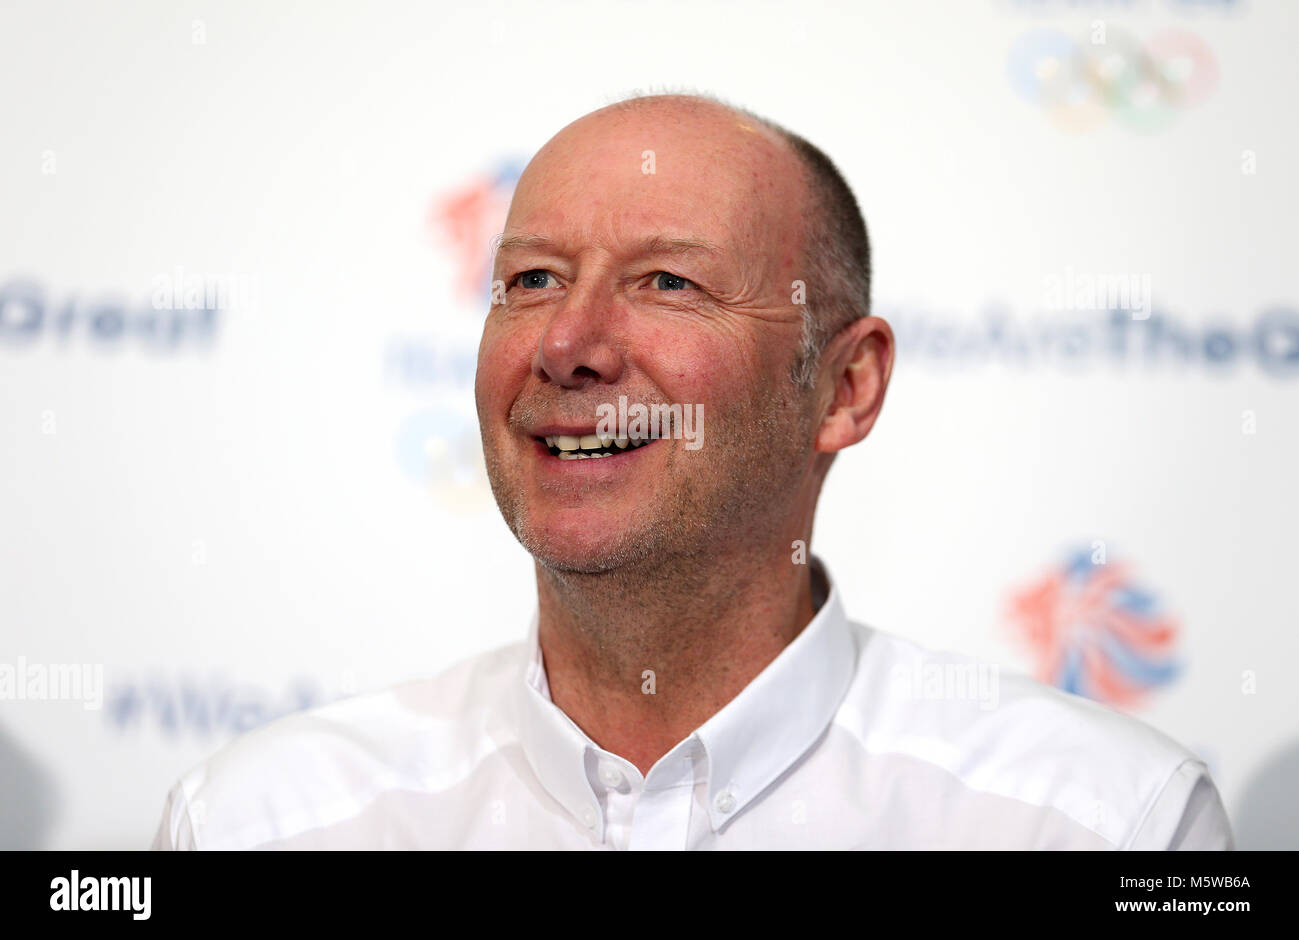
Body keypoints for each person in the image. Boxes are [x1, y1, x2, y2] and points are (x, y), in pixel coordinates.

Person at [152, 93, 1232, 850]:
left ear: (844, 387)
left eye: (667, 281)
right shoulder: (259, 824)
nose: (567, 344)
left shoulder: (1103, 822)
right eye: (532, 279)